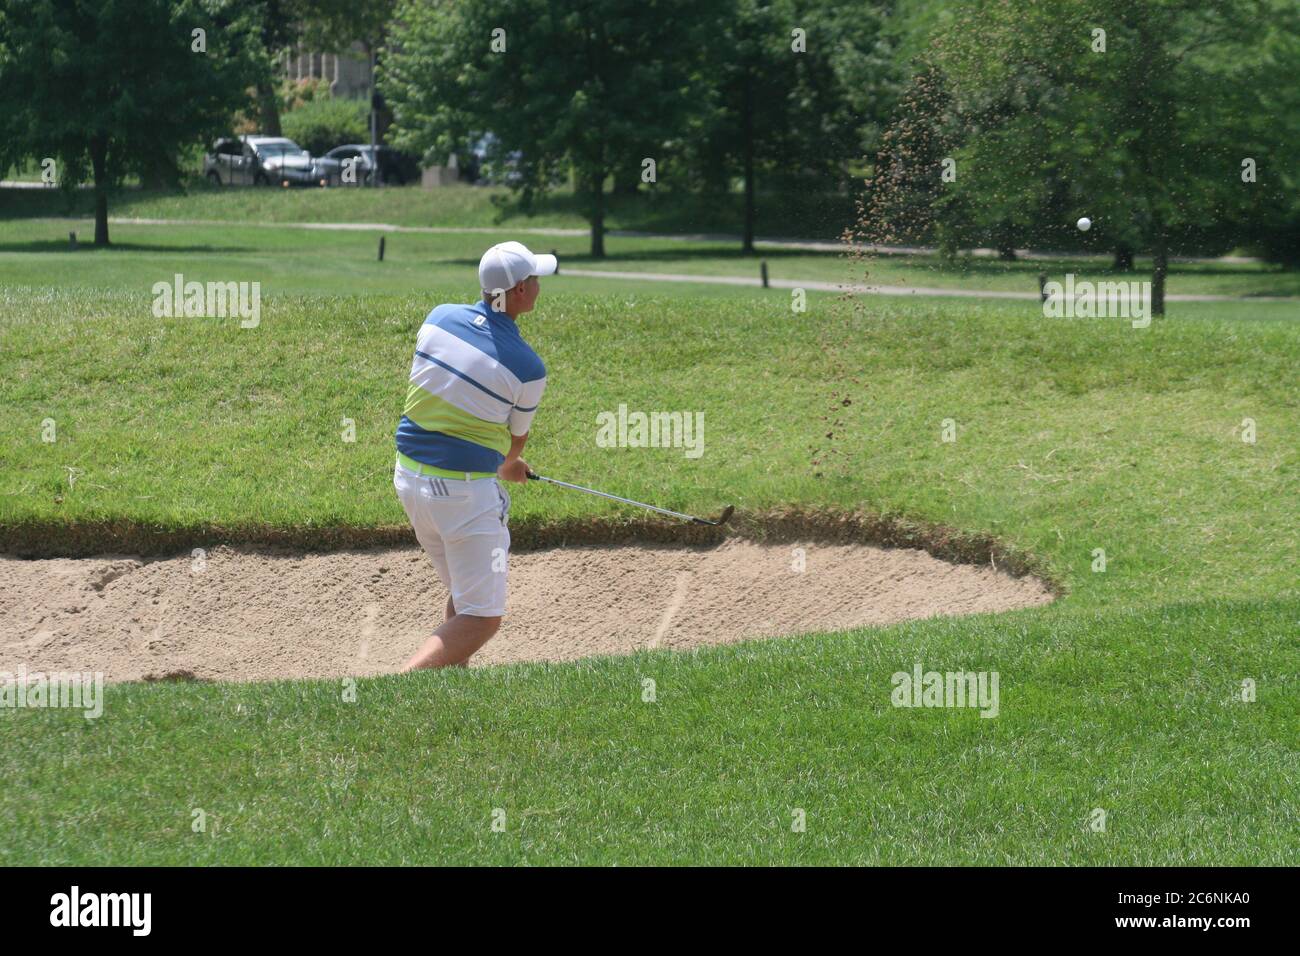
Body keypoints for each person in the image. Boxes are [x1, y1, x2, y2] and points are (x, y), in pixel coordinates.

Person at [393, 241, 555, 669]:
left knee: (466, 597)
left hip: (408, 480)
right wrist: (512, 468)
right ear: (519, 291)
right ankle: (394, 690)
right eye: (535, 279)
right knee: (482, 618)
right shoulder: (527, 366)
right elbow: (512, 447)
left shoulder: (439, 317)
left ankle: (451, 686)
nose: (540, 285)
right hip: (461, 497)